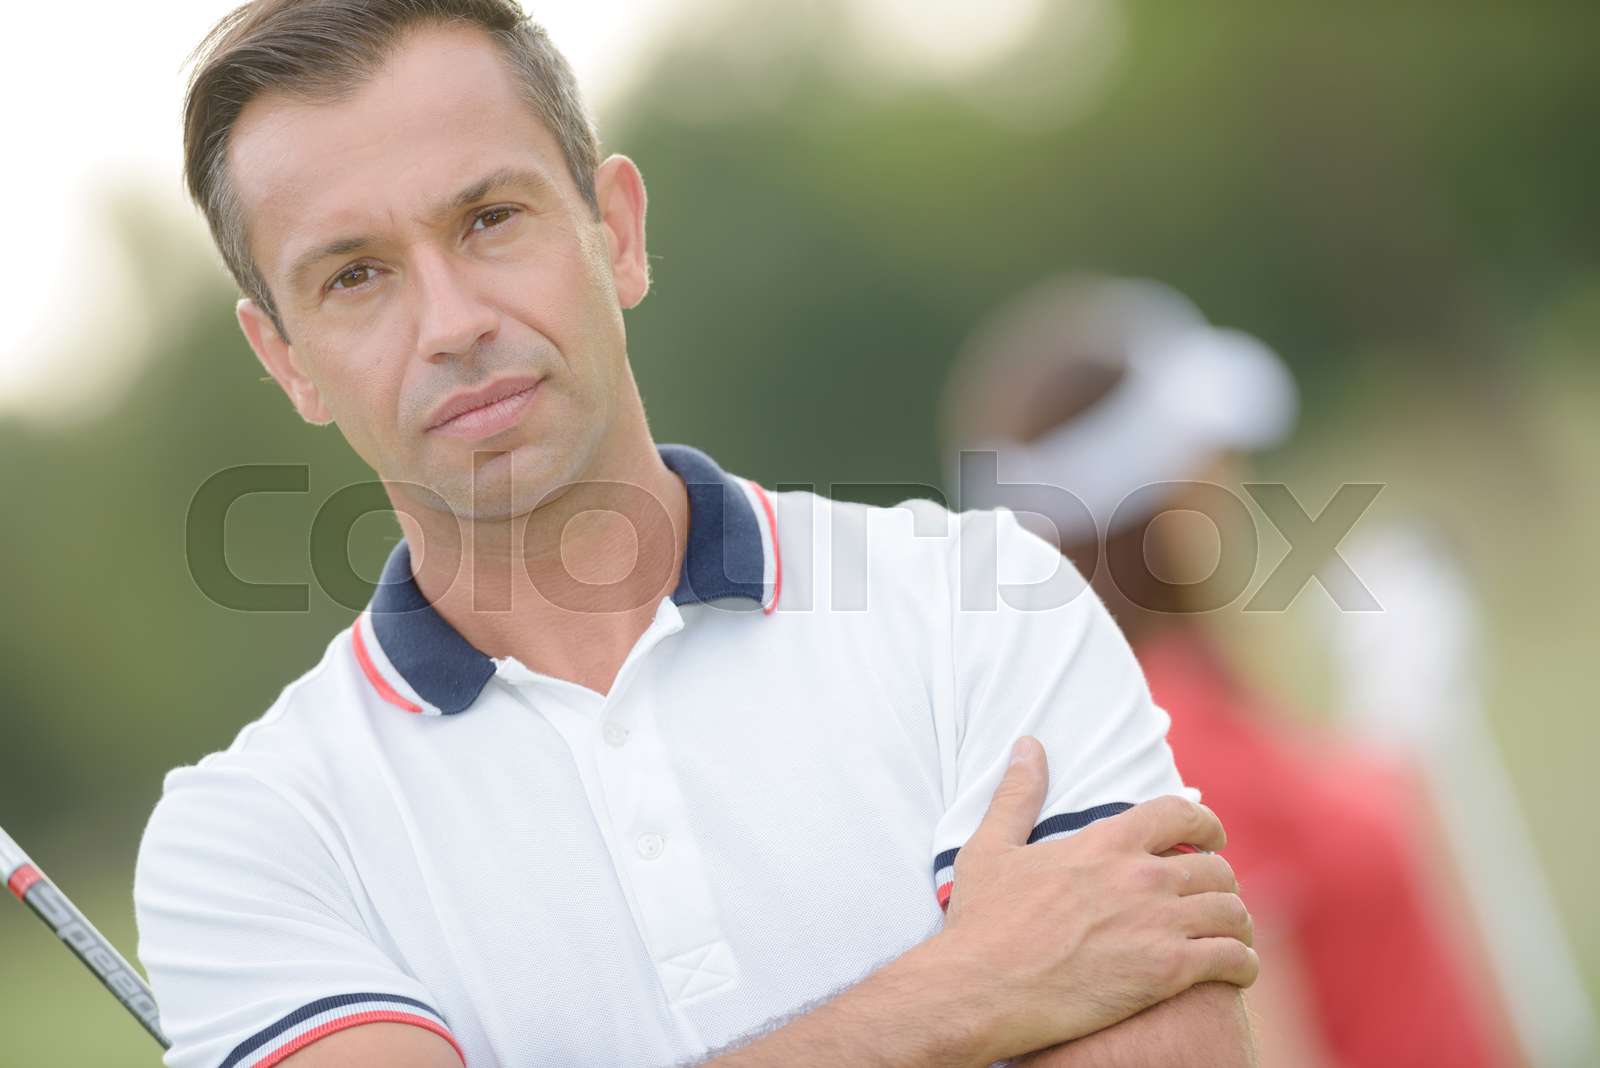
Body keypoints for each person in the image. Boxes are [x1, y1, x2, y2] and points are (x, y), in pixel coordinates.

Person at [131, 4, 1261, 1067]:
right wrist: (969, 990)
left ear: (617, 232)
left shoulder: (984, 598)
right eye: (356, 276)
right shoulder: (247, 839)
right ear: (287, 360)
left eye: (489, 220)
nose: (452, 323)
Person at [941, 276, 1517, 1067]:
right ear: (1172, 498)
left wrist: (1399, 719)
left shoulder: (1174, 701)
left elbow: (1321, 861)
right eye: (1210, 458)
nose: (1233, 479)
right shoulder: (1163, 739)